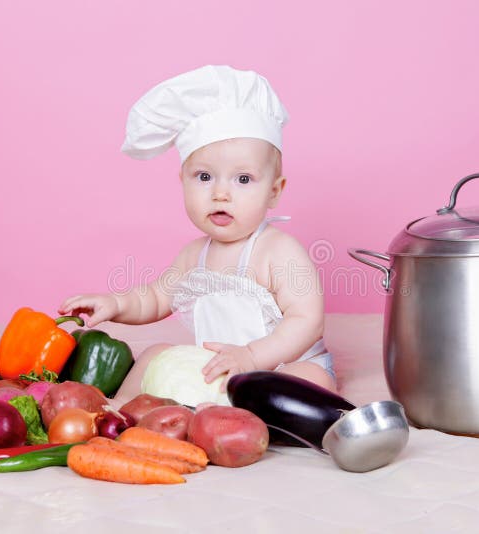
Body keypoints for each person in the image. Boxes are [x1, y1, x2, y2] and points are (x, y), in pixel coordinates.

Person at [58, 65, 335, 404]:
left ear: (274, 192)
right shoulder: (194, 256)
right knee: (155, 354)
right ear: (182, 181)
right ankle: (120, 412)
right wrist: (116, 304)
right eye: (204, 177)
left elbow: (307, 321)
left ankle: (245, 418)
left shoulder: (278, 251)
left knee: (315, 379)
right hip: (214, 368)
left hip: (279, 366)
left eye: (243, 180)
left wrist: (250, 357)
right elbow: (156, 298)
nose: (220, 194)